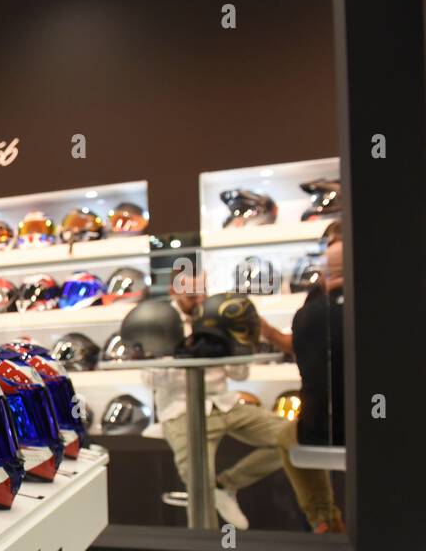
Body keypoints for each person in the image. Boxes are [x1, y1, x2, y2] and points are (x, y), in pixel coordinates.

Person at [143, 271, 284, 529]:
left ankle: (226, 485)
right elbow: (149, 378)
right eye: (191, 296)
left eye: (202, 294)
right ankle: (205, 545)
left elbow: (240, 375)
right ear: (174, 292)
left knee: (290, 437)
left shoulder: (216, 316)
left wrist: (238, 344)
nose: (199, 301)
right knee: (199, 484)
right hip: (182, 411)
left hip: (224, 403)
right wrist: (179, 356)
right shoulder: (161, 322)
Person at [260, 221, 345, 533]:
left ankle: (323, 519)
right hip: (366, 422)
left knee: (286, 437)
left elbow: (304, 349)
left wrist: (267, 331)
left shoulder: (309, 313)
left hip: (322, 427)